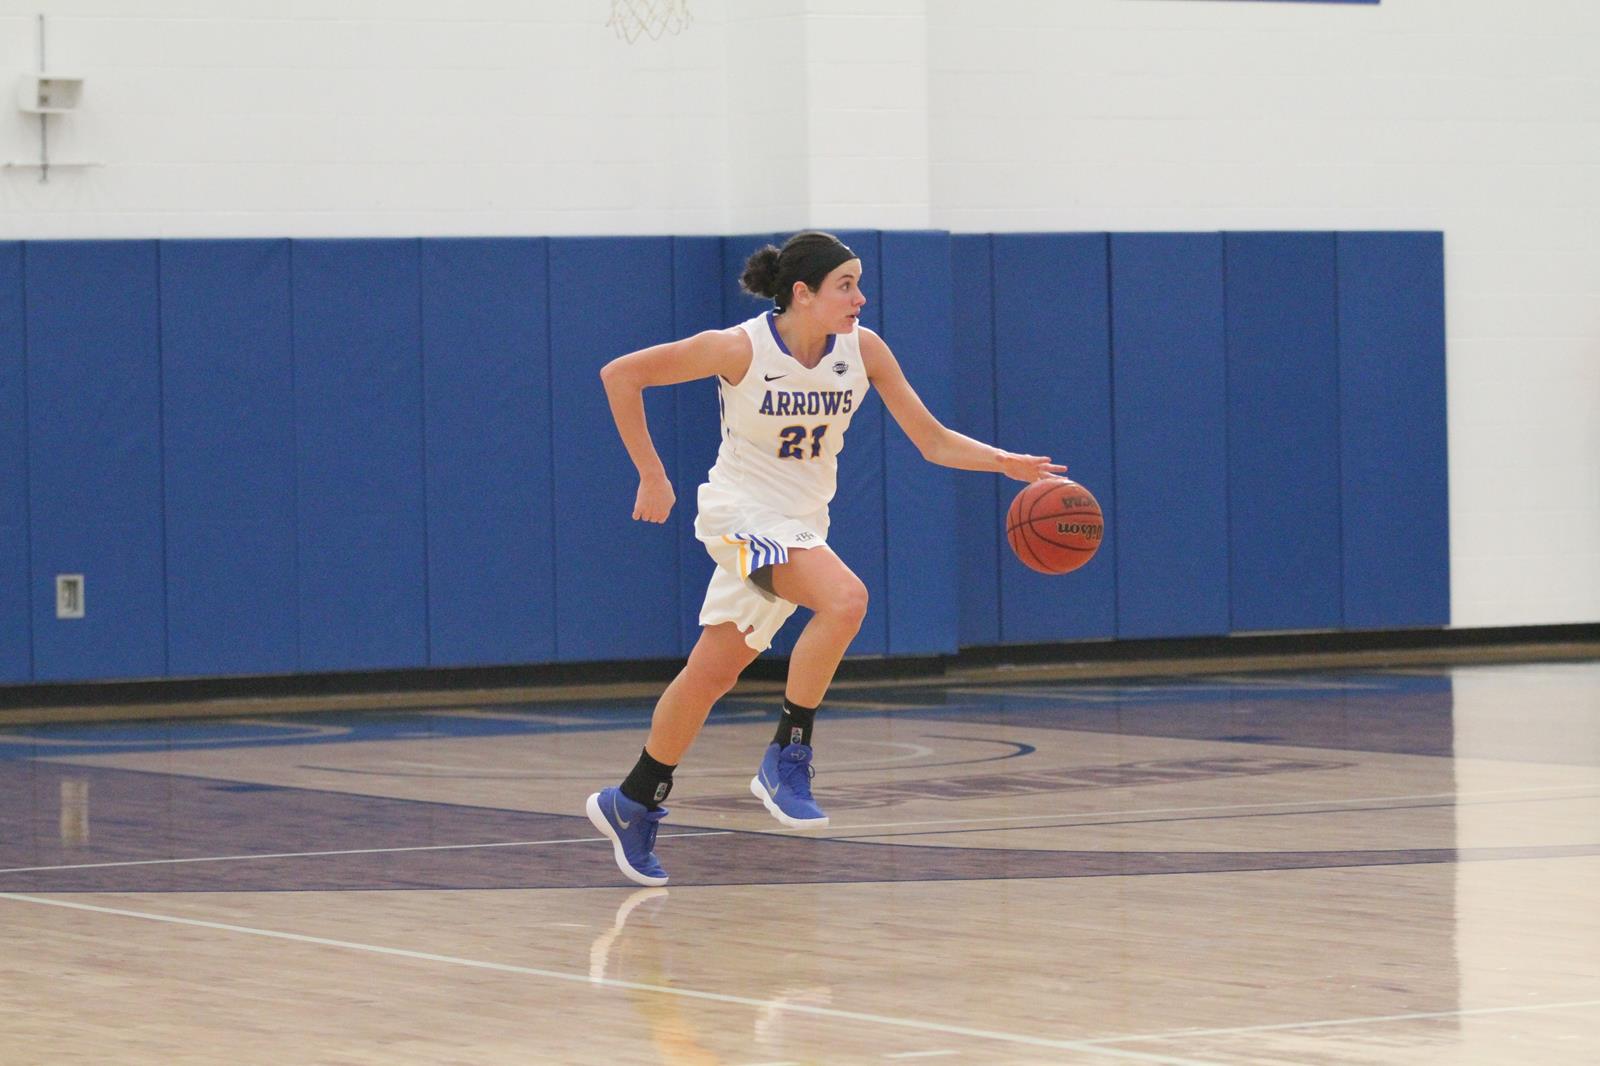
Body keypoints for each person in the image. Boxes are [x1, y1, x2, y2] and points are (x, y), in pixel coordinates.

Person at [585, 231, 1064, 886]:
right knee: (846, 599)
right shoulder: (739, 348)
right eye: (846, 285)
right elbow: (621, 375)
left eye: (859, 283)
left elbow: (930, 440)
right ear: (803, 294)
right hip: (742, 515)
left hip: (802, 525)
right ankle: (788, 756)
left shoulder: (863, 351)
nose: (860, 297)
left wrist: (1005, 462)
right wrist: (651, 474)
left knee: (711, 673)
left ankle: (633, 799)